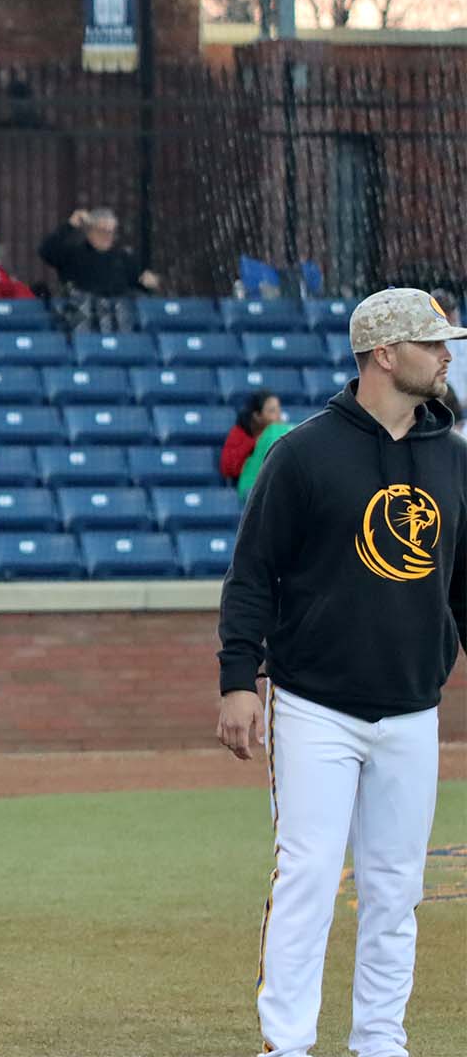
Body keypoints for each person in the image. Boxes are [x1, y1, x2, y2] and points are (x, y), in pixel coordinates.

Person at [215, 287, 466, 1057]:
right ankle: (286, 1044)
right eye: (432, 343)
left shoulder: (454, 457)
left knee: (395, 889)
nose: (447, 354)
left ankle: (380, 1040)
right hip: (315, 706)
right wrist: (237, 681)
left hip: (412, 708)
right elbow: (251, 574)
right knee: (308, 880)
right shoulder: (302, 453)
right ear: (384, 354)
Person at [38, 208, 161, 334]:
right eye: (103, 231)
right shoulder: (73, 254)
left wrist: (148, 283)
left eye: (111, 232)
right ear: (90, 231)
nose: (108, 236)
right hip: (82, 315)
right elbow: (46, 251)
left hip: (116, 318)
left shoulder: (124, 257)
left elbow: (137, 284)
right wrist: (69, 225)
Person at [220, 390, 281, 485]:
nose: (278, 416)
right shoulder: (239, 433)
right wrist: (254, 444)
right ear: (257, 416)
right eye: (272, 411)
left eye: (278, 410)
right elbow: (227, 468)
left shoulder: (280, 431)